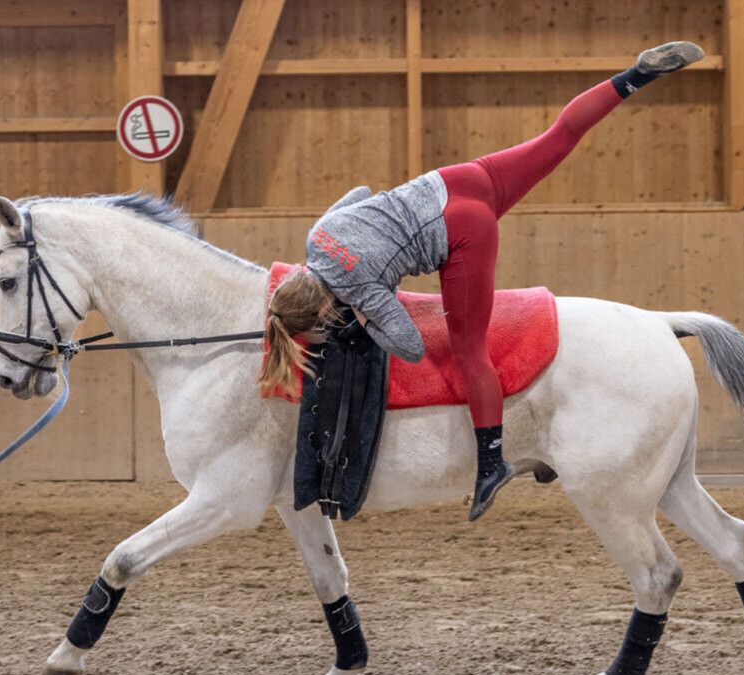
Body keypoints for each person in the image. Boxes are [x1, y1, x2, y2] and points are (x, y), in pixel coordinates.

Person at [260, 41, 705, 521]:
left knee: (470, 351)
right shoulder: (317, 234)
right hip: (453, 183)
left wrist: (366, 314)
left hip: (460, 235)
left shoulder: (357, 290)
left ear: (323, 311)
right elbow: (362, 192)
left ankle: (491, 462)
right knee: (558, 136)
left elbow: (408, 345)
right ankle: (635, 75)